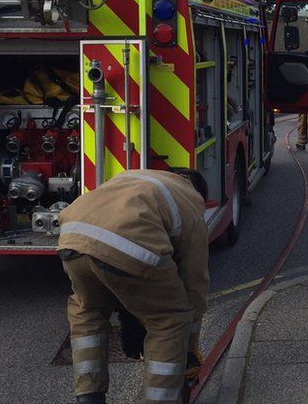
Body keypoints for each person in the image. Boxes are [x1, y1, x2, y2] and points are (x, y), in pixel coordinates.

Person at [57, 168, 210, 404]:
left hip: (72, 237)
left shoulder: (135, 177)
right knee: (169, 318)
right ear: (198, 190)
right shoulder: (191, 200)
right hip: (129, 246)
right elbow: (195, 283)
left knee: (88, 310)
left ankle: (89, 396)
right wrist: (188, 351)